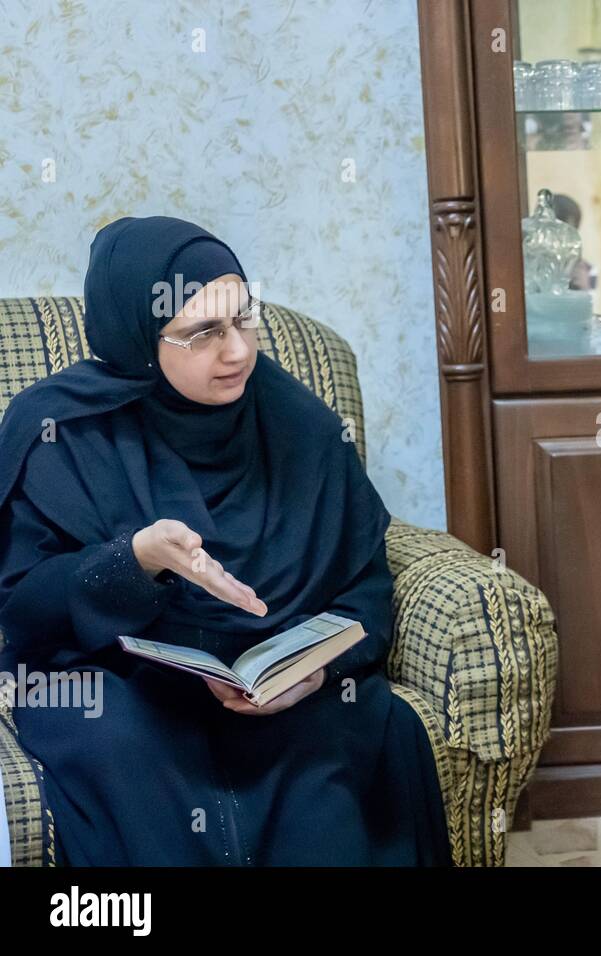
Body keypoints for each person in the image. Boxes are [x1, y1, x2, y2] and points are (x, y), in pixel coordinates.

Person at [0, 216, 453, 866]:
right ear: (138, 338)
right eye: (203, 332)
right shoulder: (62, 432)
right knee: (114, 740)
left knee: (353, 737)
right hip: (127, 683)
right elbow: (25, 611)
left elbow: (366, 593)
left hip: (277, 693)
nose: (238, 350)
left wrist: (315, 671)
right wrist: (136, 560)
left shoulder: (299, 423)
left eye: (244, 319)